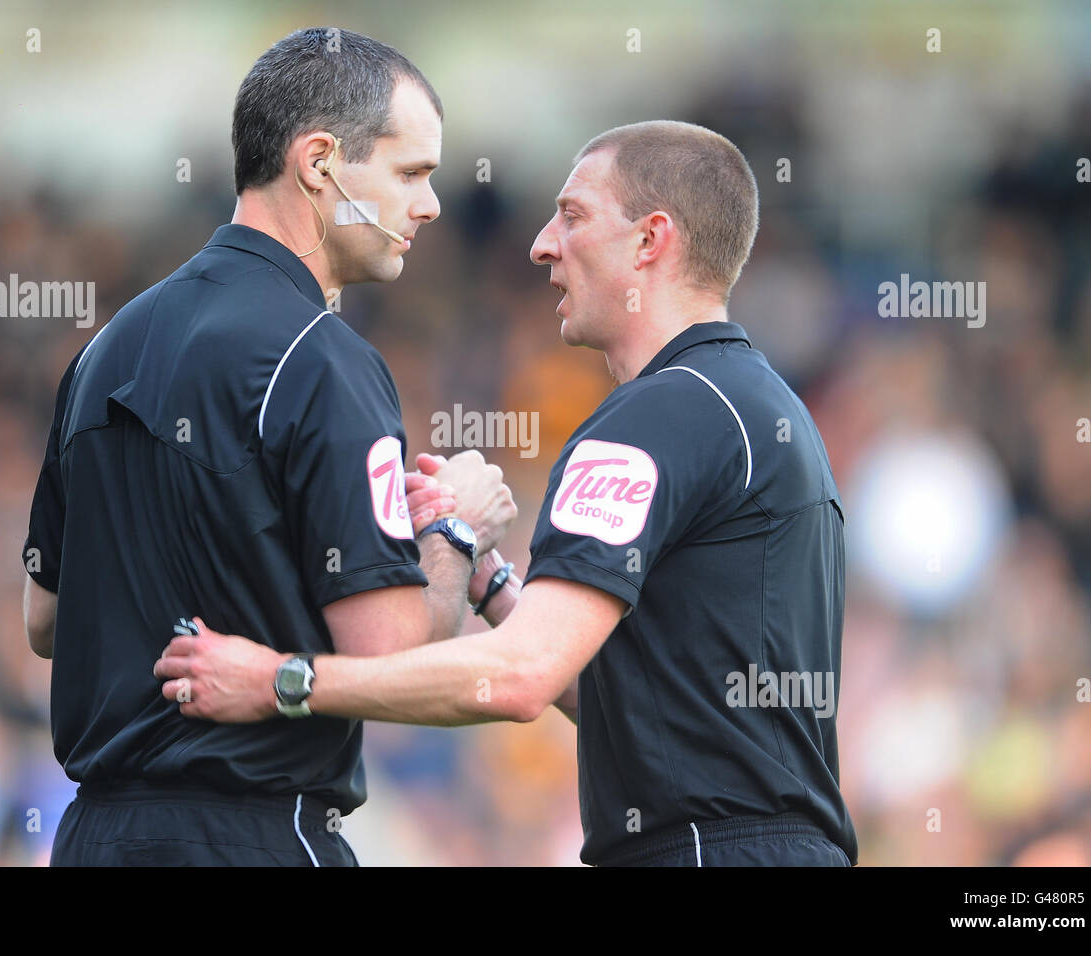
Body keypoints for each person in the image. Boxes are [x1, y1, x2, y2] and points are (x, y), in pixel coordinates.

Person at [155, 120, 859, 867]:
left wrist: (281, 680)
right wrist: (489, 578)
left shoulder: (656, 415)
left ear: (651, 241)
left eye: (575, 215)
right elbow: (644, 708)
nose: (541, 244)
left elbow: (522, 678)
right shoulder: (771, 412)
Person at [21, 27, 515, 867]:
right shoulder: (324, 359)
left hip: (92, 838)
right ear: (320, 163)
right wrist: (456, 536)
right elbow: (389, 661)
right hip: (257, 833)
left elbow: (44, 620)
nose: (430, 205)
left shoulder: (104, 350)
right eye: (411, 173)